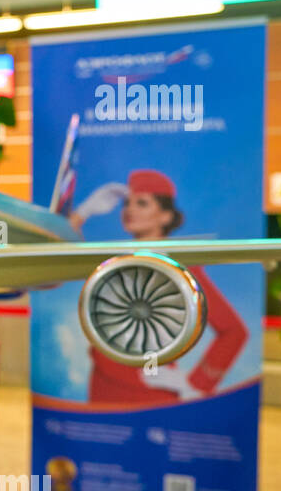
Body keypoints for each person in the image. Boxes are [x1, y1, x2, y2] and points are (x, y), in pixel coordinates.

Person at [69, 170, 247, 405]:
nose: (129, 210)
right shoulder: (116, 258)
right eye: (127, 203)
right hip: (102, 383)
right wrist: (84, 212)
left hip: (147, 391)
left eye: (141, 203)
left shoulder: (180, 265)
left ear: (165, 216)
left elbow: (233, 332)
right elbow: (65, 261)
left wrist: (194, 383)